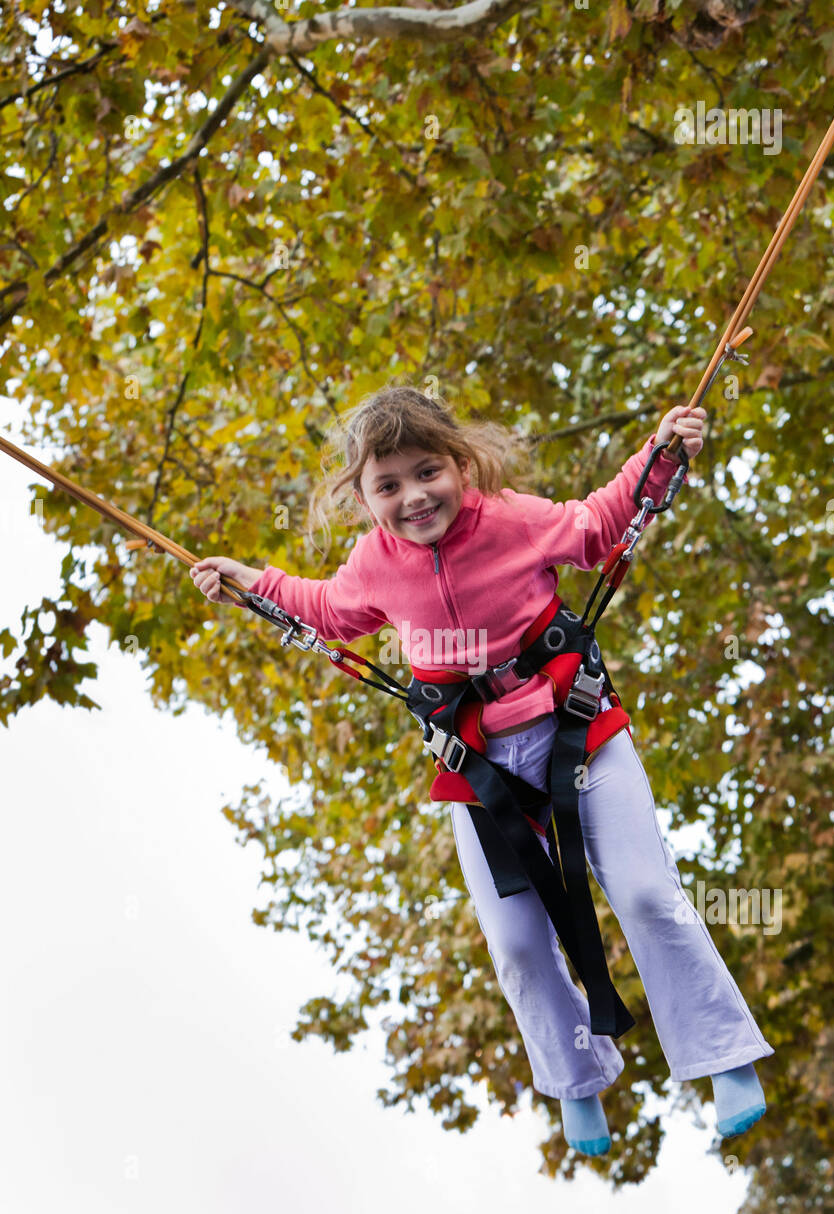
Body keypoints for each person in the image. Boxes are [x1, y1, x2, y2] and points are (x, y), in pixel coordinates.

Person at [189, 385, 773, 1156]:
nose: (414, 497)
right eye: (388, 486)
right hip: (481, 767)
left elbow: (601, 524)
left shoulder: (510, 519)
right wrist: (252, 584)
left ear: (460, 465)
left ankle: (723, 1055)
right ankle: (577, 1080)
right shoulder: (373, 565)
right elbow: (325, 610)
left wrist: (662, 455)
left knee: (645, 893)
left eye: (427, 472)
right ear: (364, 499)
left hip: (579, 731)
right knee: (518, 945)